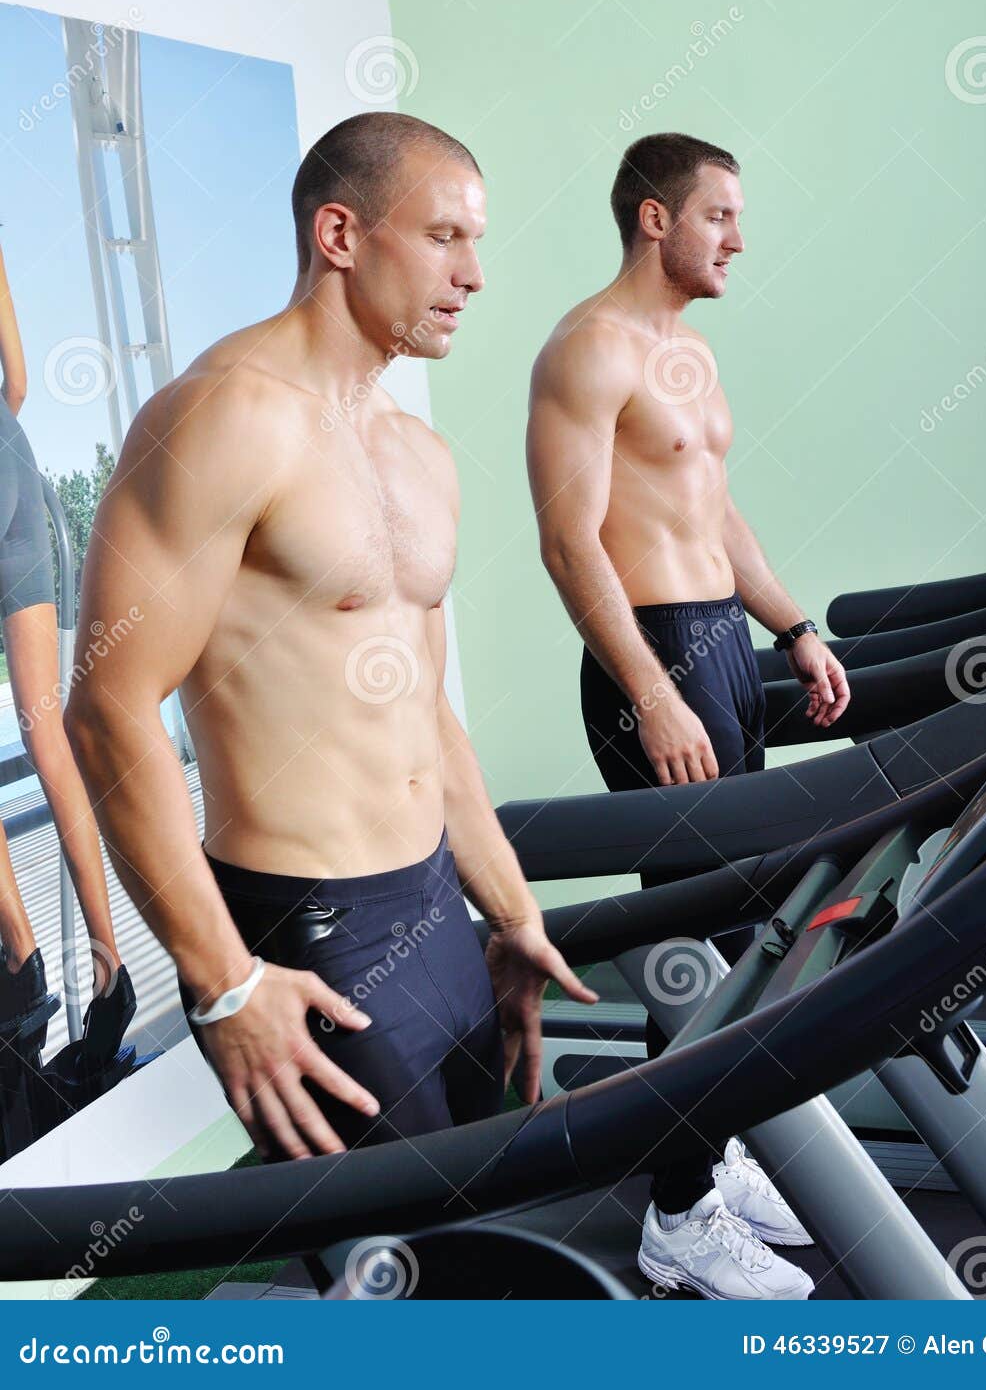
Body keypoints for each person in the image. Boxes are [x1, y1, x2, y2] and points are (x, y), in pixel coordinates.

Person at [65, 112, 595, 1171]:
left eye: (475, 241)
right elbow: (107, 706)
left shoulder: (418, 453)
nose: (474, 273)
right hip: (304, 927)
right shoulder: (222, 416)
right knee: (415, 1278)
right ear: (340, 235)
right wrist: (224, 981)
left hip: (436, 903)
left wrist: (512, 907)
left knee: (478, 1241)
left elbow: (426, 712)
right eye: (444, 236)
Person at [527, 130, 851, 1299]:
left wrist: (793, 626)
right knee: (691, 942)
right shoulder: (585, 350)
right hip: (646, 660)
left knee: (750, 926)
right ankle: (675, 1215)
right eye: (720, 215)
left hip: (717, 641)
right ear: (655, 218)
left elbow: (718, 516)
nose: (739, 238)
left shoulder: (690, 356)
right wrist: (653, 690)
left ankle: (709, 1150)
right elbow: (569, 543)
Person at [0, 235, 135, 1073]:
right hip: (12, 462)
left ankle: (20, 965)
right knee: (45, 727)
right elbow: (14, 382)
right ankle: (109, 962)